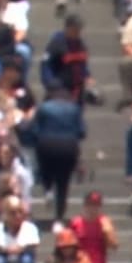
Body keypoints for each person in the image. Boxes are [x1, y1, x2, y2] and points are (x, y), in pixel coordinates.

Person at [28, 83, 86, 223]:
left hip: (46, 144)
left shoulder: (43, 108)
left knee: (45, 169)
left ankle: (47, 189)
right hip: (68, 146)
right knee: (63, 182)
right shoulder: (74, 109)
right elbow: (82, 132)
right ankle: (59, 218)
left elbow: (34, 130)